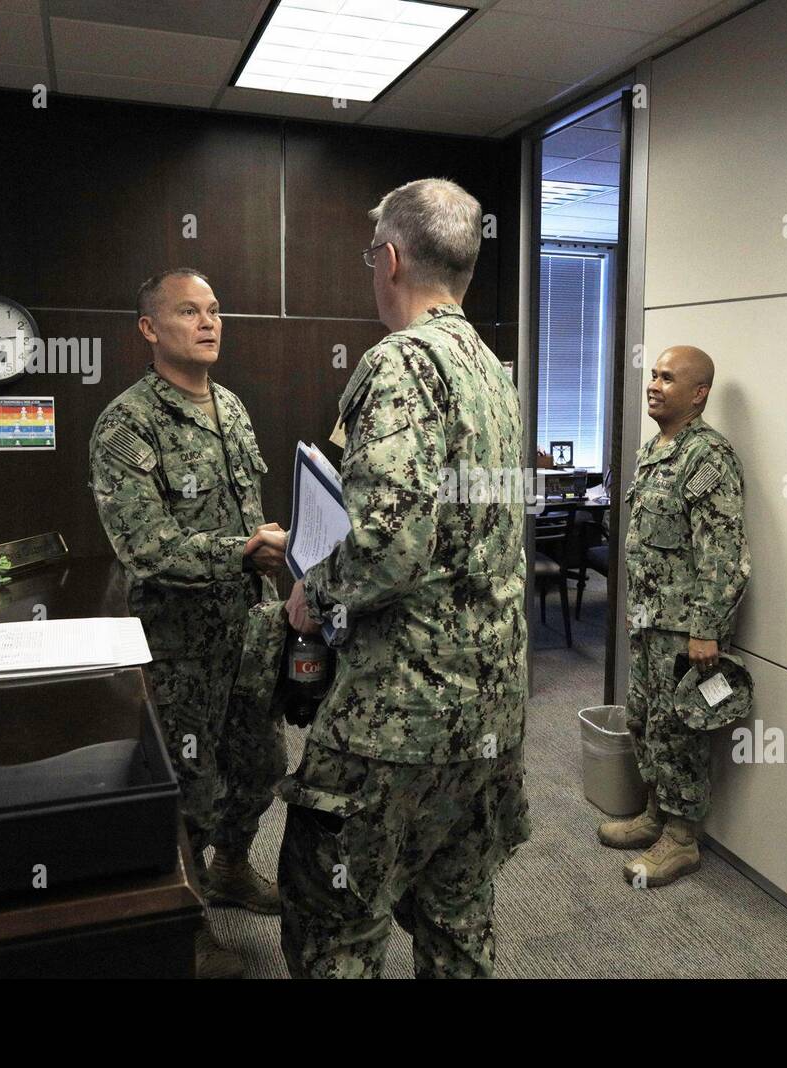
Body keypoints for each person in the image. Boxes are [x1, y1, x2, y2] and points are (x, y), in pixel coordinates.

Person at [275, 178, 531, 978]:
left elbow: (390, 545)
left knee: (335, 920)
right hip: (488, 706)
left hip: (400, 717)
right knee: (456, 915)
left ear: (388, 259)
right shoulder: (493, 371)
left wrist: (310, 598)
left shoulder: (400, 364)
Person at [89, 268, 288, 979]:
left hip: (247, 637)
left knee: (261, 768)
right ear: (149, 328)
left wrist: (266, 568)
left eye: (214, 311)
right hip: (178, 651)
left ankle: (233, 867)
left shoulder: (230, 408)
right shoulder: (126, 424)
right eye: (187, 312)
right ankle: (189, 914)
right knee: (189, 792)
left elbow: (243, 516)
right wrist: (240, 550)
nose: (209, 323)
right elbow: (145, 547)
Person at [599, 345, 750, 887]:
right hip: (648, 622)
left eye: (668, 378)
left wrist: (706, 629)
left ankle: (682, 841)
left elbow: (724, 555)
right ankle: (655, 815)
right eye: (654, 375)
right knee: (645, 721)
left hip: (685, 633)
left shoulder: (707, 458)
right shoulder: (654, 451)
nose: (655, 384)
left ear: (699, 393)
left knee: (681, 732)